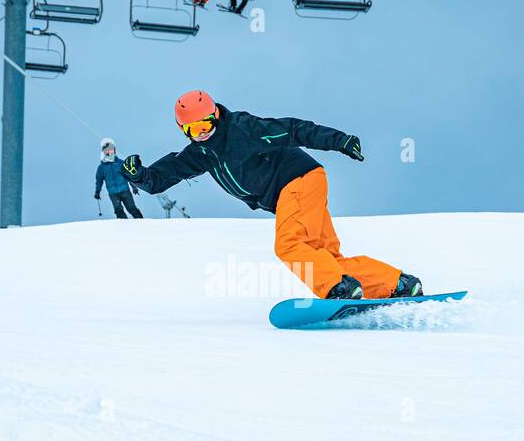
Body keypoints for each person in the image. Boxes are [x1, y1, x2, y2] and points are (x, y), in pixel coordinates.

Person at [121, 90, 422, 300]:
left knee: (289, 245)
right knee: (325, 258)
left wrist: (339, 140)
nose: (201, 133)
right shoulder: (200, 154)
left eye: (206, 124)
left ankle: (336, 288)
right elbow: (160, 178)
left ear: (216, 116)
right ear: (183, 129)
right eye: (192, 129)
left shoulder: (242, 129)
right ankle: (396, 283)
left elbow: (292, 130)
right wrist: (138, 175)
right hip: (298, 190)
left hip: (299, 180)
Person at [94, 138, 143, 219]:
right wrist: (97, 191)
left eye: (111, 150)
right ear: (104, 152)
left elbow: (129, 176)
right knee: (118, 210)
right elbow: (99, 180)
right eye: (107, 150)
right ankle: (124, 228)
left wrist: (134, 187)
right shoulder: (102, 167)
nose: (109, 152)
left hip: (125, 191)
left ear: (114, 151)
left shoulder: (120, 163)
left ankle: (141, 223)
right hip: (113, 193)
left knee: (131, 208)